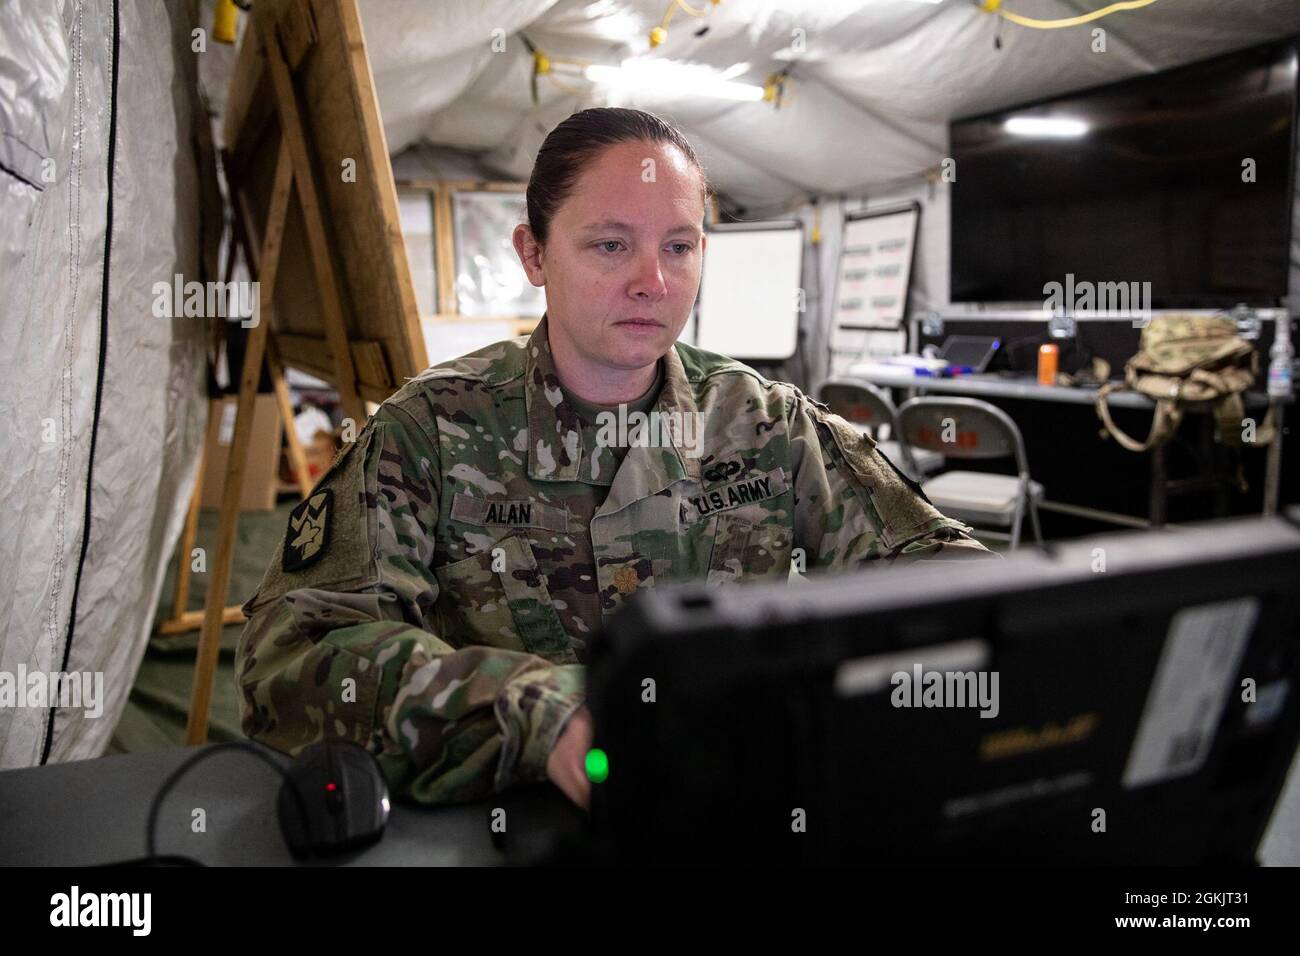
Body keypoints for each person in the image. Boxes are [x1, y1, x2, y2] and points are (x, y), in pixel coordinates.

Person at [235, 107, 994, 811]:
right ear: (533, 254)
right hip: (507, 823)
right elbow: (291, 660)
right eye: (609, 244)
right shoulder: (429, 430)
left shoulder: (764, 423)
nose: (652, 282)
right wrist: (542, 713)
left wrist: (807, 682)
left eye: (679, 246)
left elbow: (950, 575)